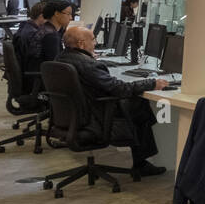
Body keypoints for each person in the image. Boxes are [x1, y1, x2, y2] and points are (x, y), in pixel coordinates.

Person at [56, 25, 170, 177]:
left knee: (136, 104)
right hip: (95, 117)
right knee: (139, 104)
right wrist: (151, 83)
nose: (95, 43)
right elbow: (118, 88)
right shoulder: (89, 65)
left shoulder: (61, 58)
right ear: (82, 44)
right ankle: (141, 163)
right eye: (93, 39)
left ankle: (141, 160)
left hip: (74, 115)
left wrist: (89, 59)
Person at [12, 1, 47, 86]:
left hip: (25, 74)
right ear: (42, 17)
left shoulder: (25, 27)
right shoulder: (33, 34)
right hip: (32, 79)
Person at [37, 0, 74, 65]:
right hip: (42, 73)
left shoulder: (46, 28)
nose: (71, 18)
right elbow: (55, 65)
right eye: (68, 14)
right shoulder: (51, 36)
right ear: (56, 14)